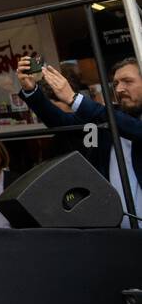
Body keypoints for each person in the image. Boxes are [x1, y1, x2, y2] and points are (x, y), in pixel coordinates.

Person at [18, 55, 142, 228]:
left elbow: (134, 129)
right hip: (116, 233)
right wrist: (31, 91)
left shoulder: (111, 118)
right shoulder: (107, 118)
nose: (120, 89)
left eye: (127, 81)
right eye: (115, 84)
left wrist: (73, 98)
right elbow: (62, 122)